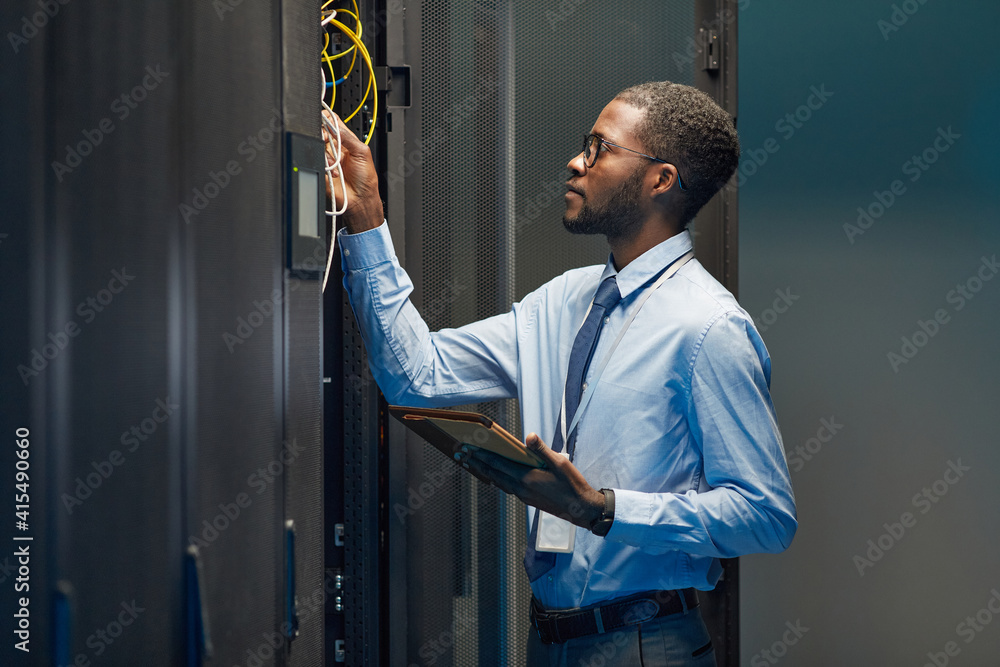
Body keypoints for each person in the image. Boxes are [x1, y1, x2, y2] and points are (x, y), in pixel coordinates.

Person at [325, 81, 796, 666]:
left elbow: (766, 516)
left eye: (599, 147)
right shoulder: (563, 302)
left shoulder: (709, 327)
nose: (576, 162)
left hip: (646, 647)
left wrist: (602, 509)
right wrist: (365, 216)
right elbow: (417, 375)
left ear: (661, 180)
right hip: (548, 642)